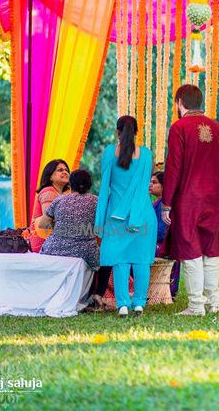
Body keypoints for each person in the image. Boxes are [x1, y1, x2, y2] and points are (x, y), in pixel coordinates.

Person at [161, 85, 219, 316]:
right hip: (214, 198)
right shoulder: (217, 127)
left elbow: (174, 168)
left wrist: (167, 203)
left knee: (190, 250)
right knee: (211, 249)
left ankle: (196, 306)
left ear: (180, 102)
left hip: (189, 199)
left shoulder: (179, 127)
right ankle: (214, 302)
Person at [95, 116, 157, 317]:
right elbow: (143, 188)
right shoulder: (146, 155)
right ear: (137, 132)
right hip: (143, 215)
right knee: (141, 260)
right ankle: (139, 303)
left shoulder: (110, 153)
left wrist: (99, 222)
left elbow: (104, 190)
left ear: (117, 132)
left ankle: (122, 304)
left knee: (120, 260)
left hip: (116, 217)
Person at [37, 169, 99, 270]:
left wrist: (62, 226)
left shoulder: (59, 200)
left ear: (70, 184)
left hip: (53, 249)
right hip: (85, 253)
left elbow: (43, 224)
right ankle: (98, 286)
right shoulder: (97, 201)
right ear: (89, 185)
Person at [27, 159, 70, 252]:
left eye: (66, 170)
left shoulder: (64, 195)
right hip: (42, 241)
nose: (65, 172)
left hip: (56, 240)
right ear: (50, 176)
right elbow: (48, 222)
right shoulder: (48, 191)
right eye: (60, 170)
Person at [149, 171, 180, 299]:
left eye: (154, 182)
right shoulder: (159, 203)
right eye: (150, 182)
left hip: (162, 247)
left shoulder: (163, 205)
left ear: (164, 186)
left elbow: (161, 234)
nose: (150, 185)